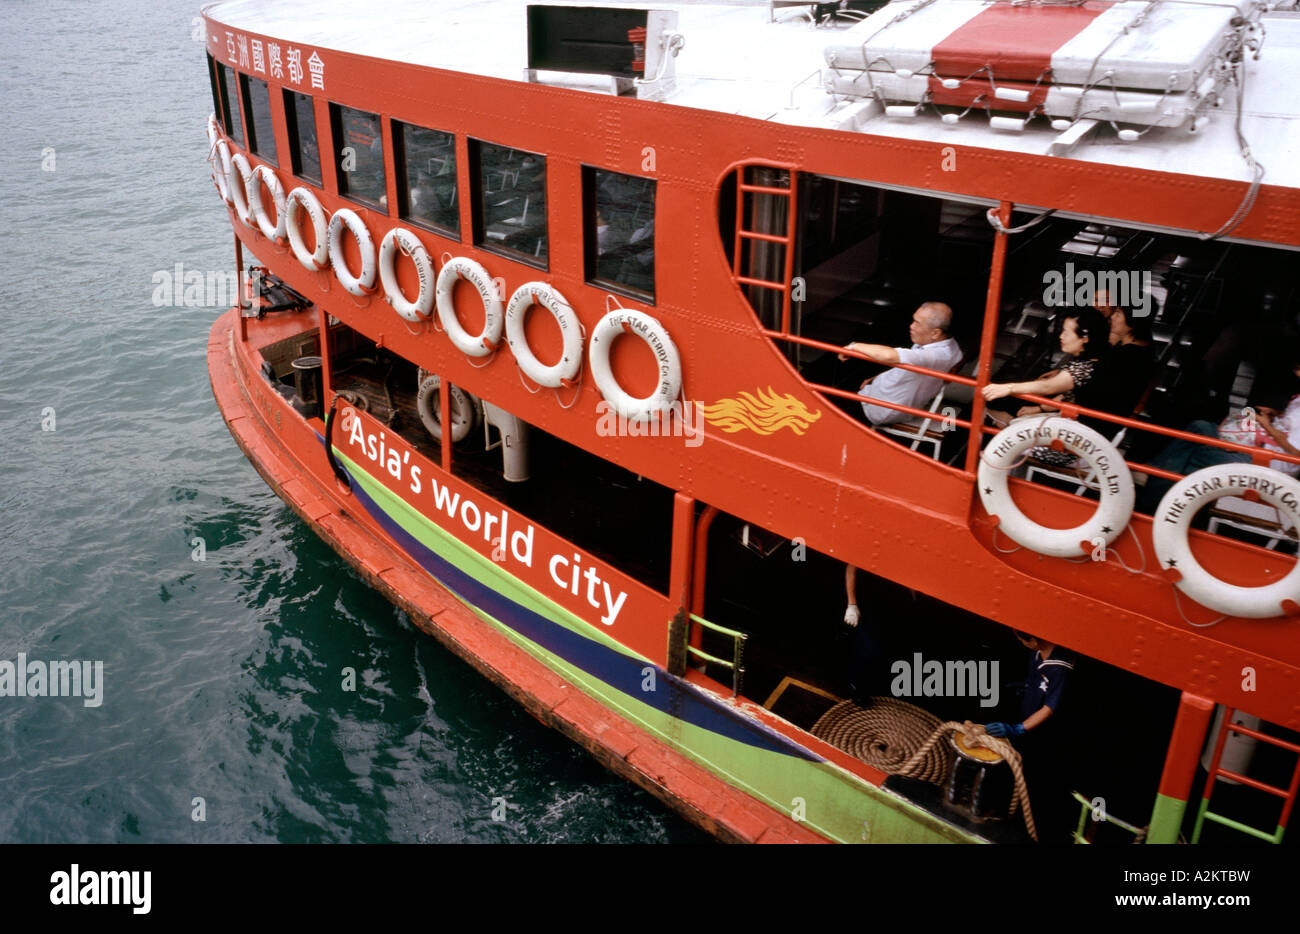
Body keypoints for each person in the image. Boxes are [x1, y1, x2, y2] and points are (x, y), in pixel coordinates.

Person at [980, 307, 1110, 467]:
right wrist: (1039, 409)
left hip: (1071, 449)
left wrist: (1008, 388)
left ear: (1085, 338)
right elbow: (1071, 394)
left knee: (999, 426)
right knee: (1007, 420)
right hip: (1080, 438)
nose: (1061, 336)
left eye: (1066, 332)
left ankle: (980, 471)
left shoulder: (1085, 368)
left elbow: (1048, 387)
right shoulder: (1098, 359)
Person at [838, 302, 961, 427]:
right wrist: (876, 379)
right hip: (876, 396)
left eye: (917, 323)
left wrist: (854, 346)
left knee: (822, 403)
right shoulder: (950, 345)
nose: (911, 326)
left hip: (878, 409)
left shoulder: (936, 355)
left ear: (936, 333)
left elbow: (889, 356)